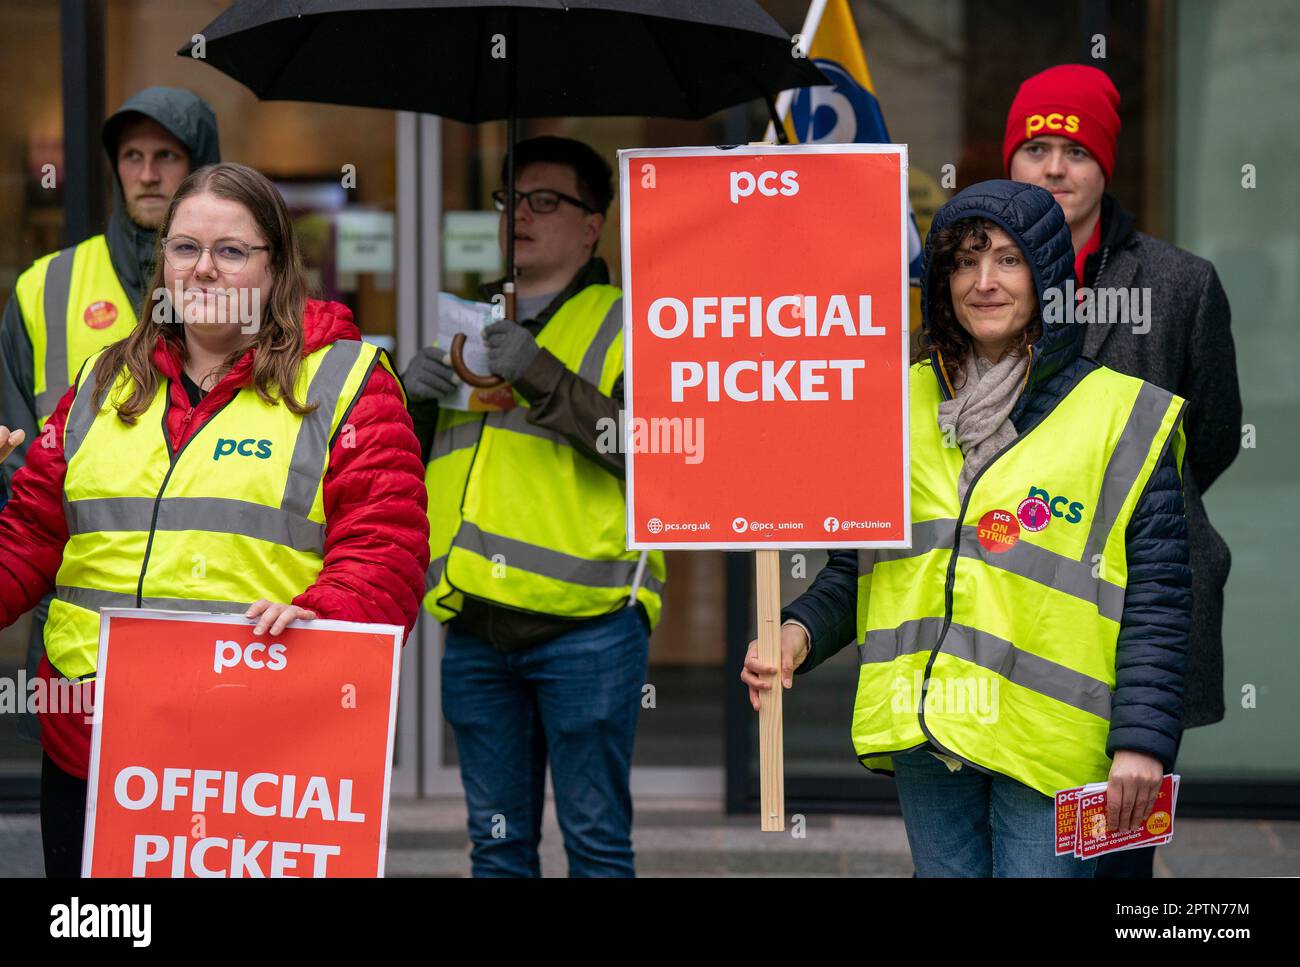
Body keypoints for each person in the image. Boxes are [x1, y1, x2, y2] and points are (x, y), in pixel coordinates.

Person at [741, 180, 1192, 877]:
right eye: (965, 261)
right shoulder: (895, 405)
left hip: (1050, 744)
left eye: (1009, 261)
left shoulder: (1122, 417)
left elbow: (1160, 604)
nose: (984, 282)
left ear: (1047, 278)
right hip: (929, 732)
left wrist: (1143, 741)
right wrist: (796, 631)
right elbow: (861, 565)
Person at [0, 161, 429, 877]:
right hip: (93, 751)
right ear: (161, 259)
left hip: (254, 765)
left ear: (278, 266)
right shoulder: (102, 384)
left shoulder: (345, 382)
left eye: (231, 251)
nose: (203, 270)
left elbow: (384, 556)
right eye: (184, 248)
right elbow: (24, 547)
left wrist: (318, 619)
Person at [1003, 64, 1242, 877]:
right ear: (1013, 163)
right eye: (1035, 147)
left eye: (1074, 149)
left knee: (1114, 848)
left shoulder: (1181, 286)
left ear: (1105, 165)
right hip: (1012, 597)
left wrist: (1134, 516)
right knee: (1020, 832)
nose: (1054, 168)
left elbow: (1206, 438)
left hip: (1142, 595)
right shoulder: (976, 283)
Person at [404, 136, 665, 877]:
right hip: (478, 627)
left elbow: (651, 449)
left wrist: (542, 372)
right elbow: (419, 464)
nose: (520, 214)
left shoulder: (632, 322)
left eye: (545, 201)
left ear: (593, 224)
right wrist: (412, 397)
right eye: (510, 199)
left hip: (590, 625)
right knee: (497, 847)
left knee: (596, 846)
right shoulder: (466, 323)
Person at [0, 87, 221, 746]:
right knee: (80, 815)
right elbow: (14, 436)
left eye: (166, 156)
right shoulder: (48, 284)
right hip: (73, 597)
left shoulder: (244, 291)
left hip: (201, 603)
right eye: (131, 156)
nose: (148, 174)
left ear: (201, 166)